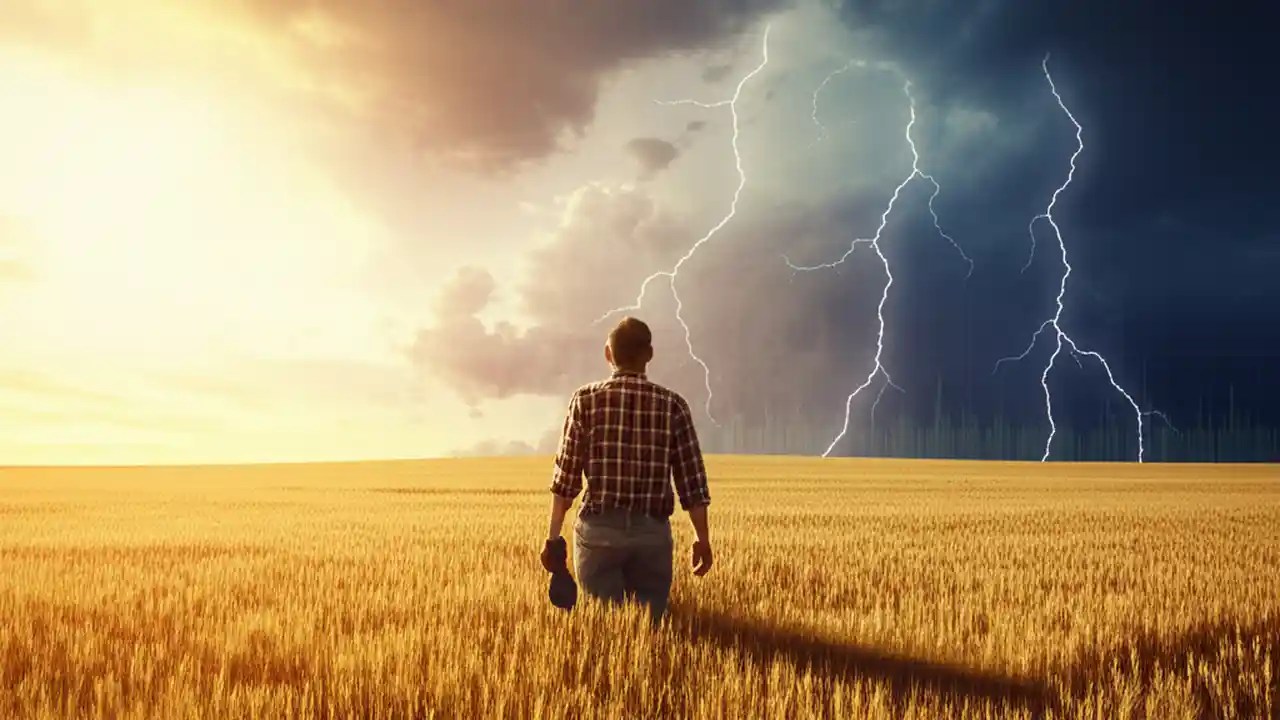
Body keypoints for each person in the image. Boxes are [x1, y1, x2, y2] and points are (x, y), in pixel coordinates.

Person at [540, 316, 713, 623]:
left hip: (599, 534)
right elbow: (692, 483)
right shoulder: (673, 406)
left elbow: (565, 481)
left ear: (608, 354)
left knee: (606, 632)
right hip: (652, 536)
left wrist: (553, 539)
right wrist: (702, 539)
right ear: (649, 354)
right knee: (652, 631)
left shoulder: (585, 400)